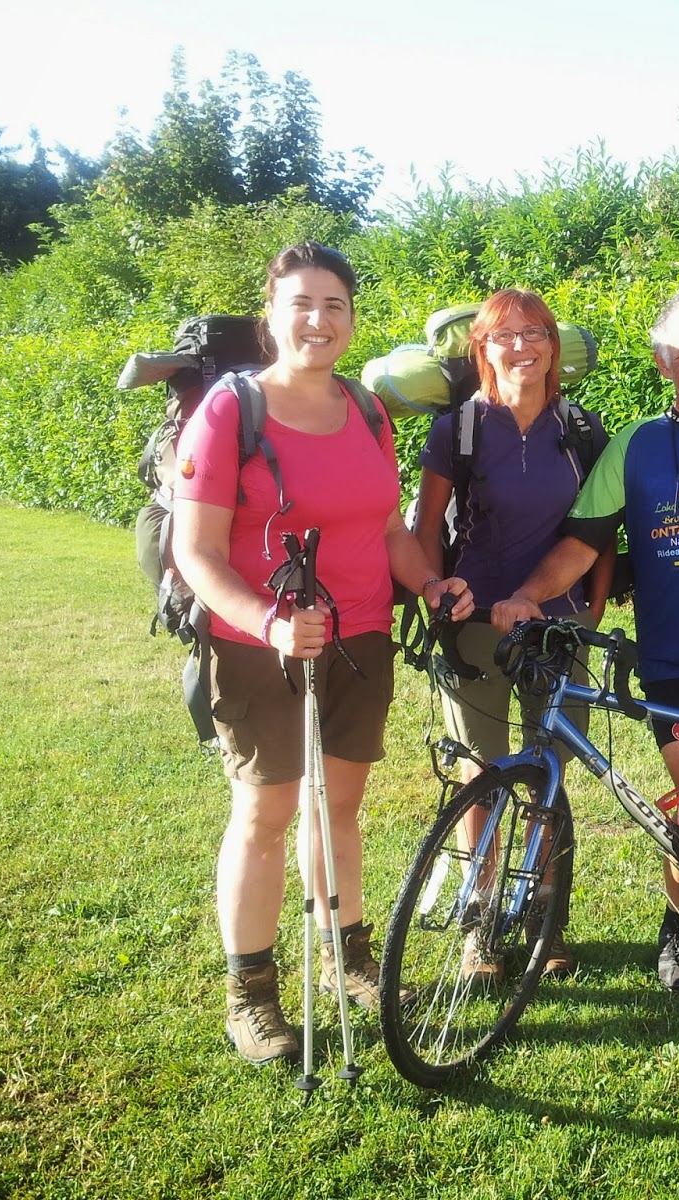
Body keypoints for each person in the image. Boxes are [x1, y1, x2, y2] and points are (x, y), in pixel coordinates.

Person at [172, 241, 472, 1066]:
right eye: (301, 303)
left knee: (338, 808)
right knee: (265, 814)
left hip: (360, 635)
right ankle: (252, 995)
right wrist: (268, 621)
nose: (318, 319)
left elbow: (384, 527)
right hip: (256, 645)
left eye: (334, 305)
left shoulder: (368, 410)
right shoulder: (233, 410)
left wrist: (429, 582)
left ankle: (348, 957)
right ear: (271, 314)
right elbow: (195, 553)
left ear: (351, 319)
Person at [492, 288, 679, 991]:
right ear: (663, 362)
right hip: (671, 656)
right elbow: (582, 543)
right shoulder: (634, 445)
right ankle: (677, 931)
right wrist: (528, 595)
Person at [412, 288, 613, 981]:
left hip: (559, 630)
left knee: (550, 774)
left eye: (536, 333)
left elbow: (602, 527)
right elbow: (425, 530)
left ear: (554, 347)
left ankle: (544, 921)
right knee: (484, 774)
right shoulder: (458, 431)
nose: (521, 346)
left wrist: (592, 605)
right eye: (505, 336)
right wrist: (441, 602)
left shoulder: (582, 429)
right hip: (475, 628)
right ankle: (481, 922)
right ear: (483, 349)